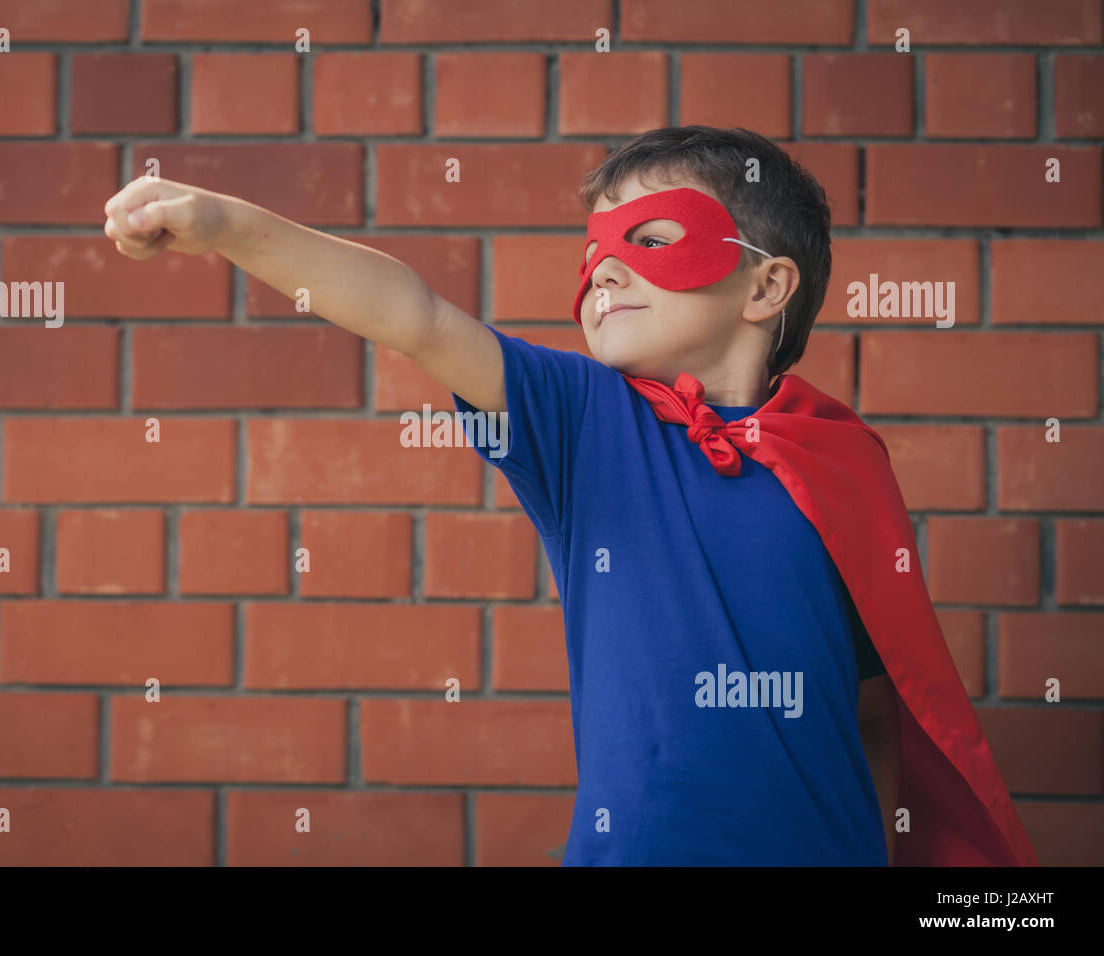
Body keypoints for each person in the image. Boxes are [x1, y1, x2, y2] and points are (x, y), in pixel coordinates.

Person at [102, 125, 1036, 867]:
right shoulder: (585, 424)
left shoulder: (845, 466)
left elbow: (879, 708)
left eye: (652, 239)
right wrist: (226, 225)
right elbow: (412, 315)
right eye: (592, 254)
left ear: (766, 285)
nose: (605, 272)